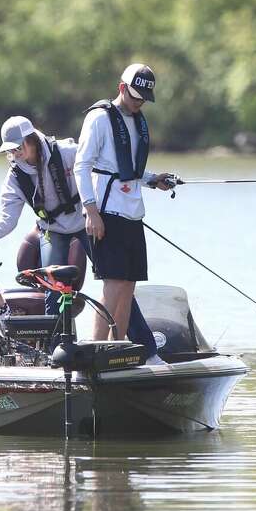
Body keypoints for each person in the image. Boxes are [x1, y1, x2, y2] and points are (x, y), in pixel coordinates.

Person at [74, 62, 178, 364]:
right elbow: (81, 166)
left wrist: (152, 179)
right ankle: (95, 350)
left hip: (133, 211)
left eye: (144, 99)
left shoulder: (138, 120)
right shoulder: (99, 118)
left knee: (129, 284)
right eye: (134, 97)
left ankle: (117, 349)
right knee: (112, 283)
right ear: (122, 88)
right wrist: (90, 211)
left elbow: (130, 168)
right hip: (106, 210)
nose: (138, 103)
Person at [0, 115, 84, 315]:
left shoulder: (68, 152)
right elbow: (7, 220)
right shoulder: (14, 179)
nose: (15, 153)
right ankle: (54, 341)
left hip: (88, 223)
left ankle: (136, 337)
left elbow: (106, 167)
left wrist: (143, 178)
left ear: (31, 140)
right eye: (10, 149)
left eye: (18, 147)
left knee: (115, 278)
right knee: (52, 287)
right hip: (53, 230)